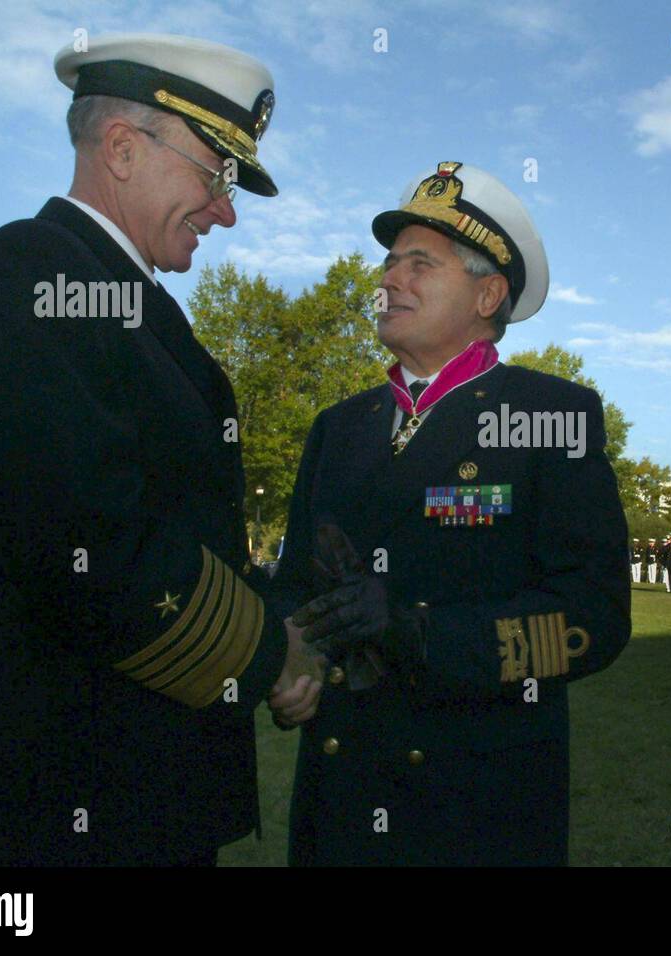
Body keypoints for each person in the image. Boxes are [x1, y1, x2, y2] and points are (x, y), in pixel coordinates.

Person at [0, 34, 324, 866]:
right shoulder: (22, 277)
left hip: (139, 805)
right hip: (61, 816)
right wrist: (270, 652)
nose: (228, 210)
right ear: (123, 148)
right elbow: (87, 549)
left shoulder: (129, 307)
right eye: (217, 176)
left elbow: (188, 536)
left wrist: (291, 611)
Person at [268, 160, 631, 865]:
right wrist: (290, 662)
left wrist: (420, 633)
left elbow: (594, 617)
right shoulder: (337, 427)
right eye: (389, 262)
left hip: (476, 803)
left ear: (487, 293)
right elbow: (294, 580)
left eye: (418, 264)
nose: (388, 280)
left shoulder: (552, 414)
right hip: (341, 792)